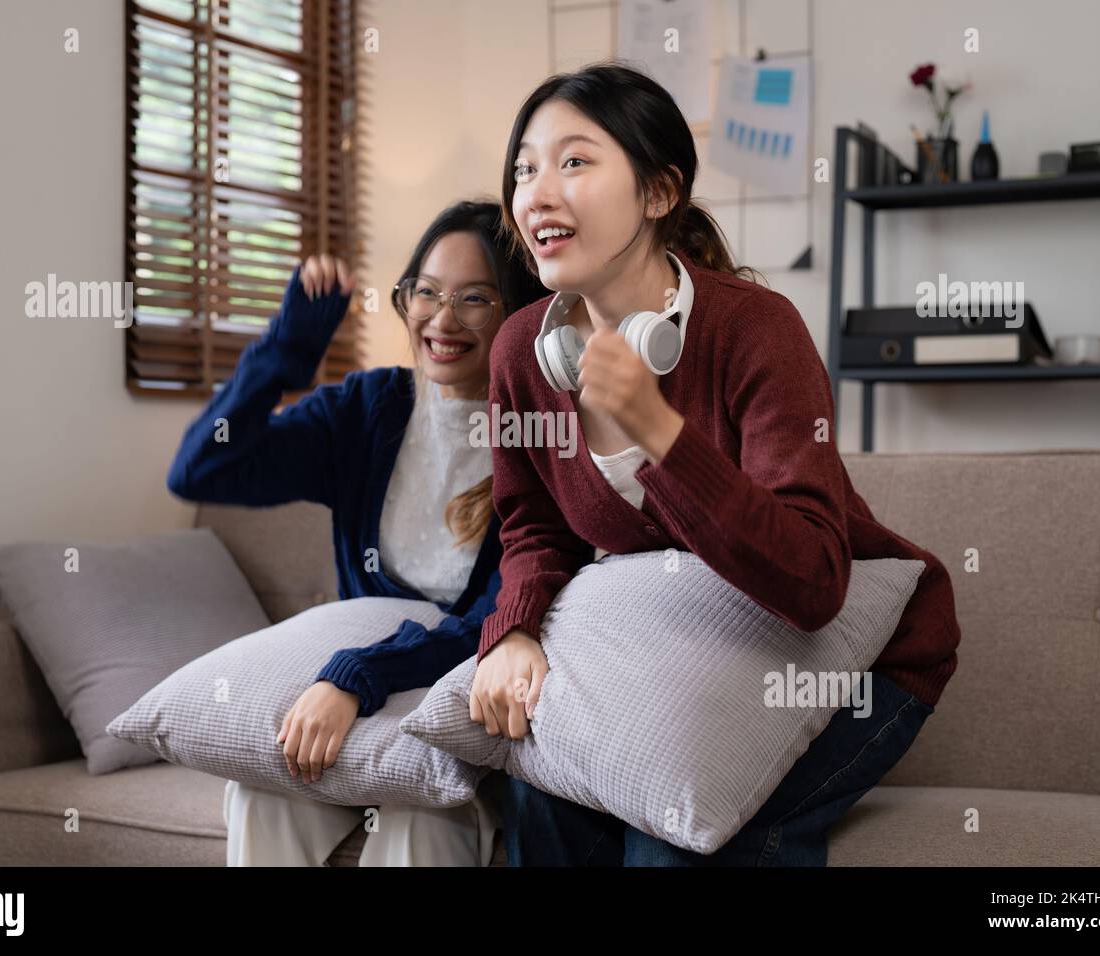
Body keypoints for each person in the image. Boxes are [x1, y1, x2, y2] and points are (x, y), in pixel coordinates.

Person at [471, 62, 962, 866]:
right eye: (525, 169)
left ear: (659, 193)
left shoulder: (757, 330)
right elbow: (533, 527)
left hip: (859, 661)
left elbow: (813, 583)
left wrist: (661, 435)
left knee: (679, 839)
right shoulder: (523, 352)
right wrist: (515, 630)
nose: (536, 194)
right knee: (542, 797)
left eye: (574, 161)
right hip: (692, 653)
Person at [166, 200, 546, 865]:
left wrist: (354, 678)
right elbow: (202, 468)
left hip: (452, 718)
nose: (442, 319)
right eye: (426, 292)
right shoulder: (365, 410)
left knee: (423, 821)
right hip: (357, 711)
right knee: (259, 796)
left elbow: (491, 621)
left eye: (474, 299)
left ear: (517, 313)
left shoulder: (538, 441)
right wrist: (286, 350)